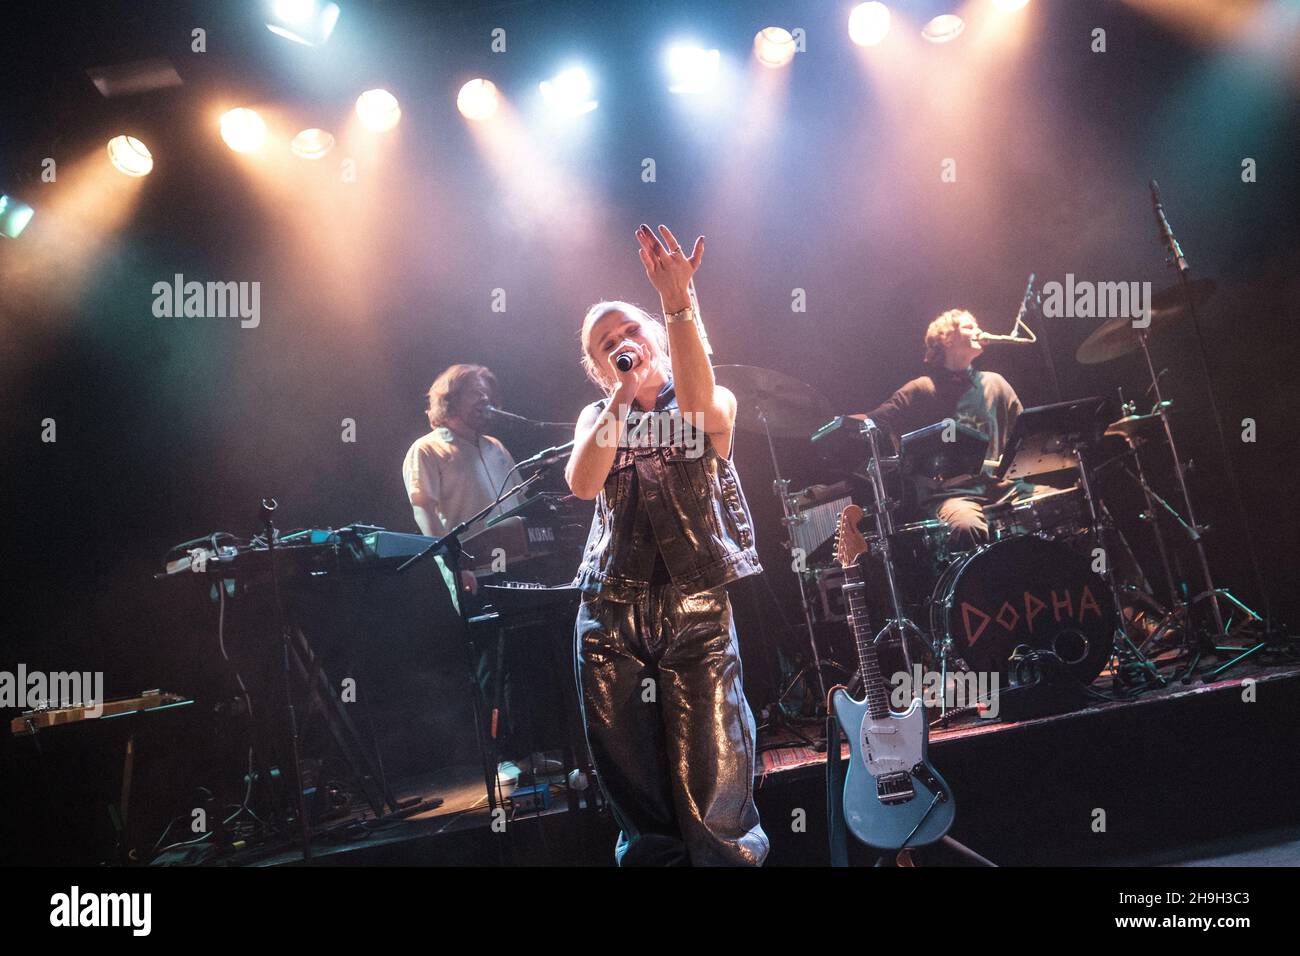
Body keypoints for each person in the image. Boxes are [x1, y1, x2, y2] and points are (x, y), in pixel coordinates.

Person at [565, 223, 768, 866]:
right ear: (598, 368)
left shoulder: (714, 400)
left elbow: (702, 411)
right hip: (608, 615)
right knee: (641, 807)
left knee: (716, 799)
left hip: (695, 613)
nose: (623, 343)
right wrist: (620, 401)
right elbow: (582, 482)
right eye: (607, 344)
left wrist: (678, 302)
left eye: (631, 330)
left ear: (656, 336)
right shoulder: (599, 418)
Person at [854, 309, 1030, 547]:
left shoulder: (996, 383)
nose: (978, 330)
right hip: (952, 496)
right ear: (947, 339)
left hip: (1002, 488)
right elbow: (872, 420)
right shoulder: (921, 390)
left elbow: (1026, 436)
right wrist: (832, 421)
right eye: (968, 327)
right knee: (968, 527)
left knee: (1060, 501)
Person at [402, 364, 520, 595]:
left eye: (486, 393)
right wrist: (455, 566)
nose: (485, 398)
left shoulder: (496, 447)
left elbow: (520, 500)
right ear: (451, 398)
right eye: (476, 392)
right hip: (475, 574)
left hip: (519, 565)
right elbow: (424, 511)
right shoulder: (427, 449)